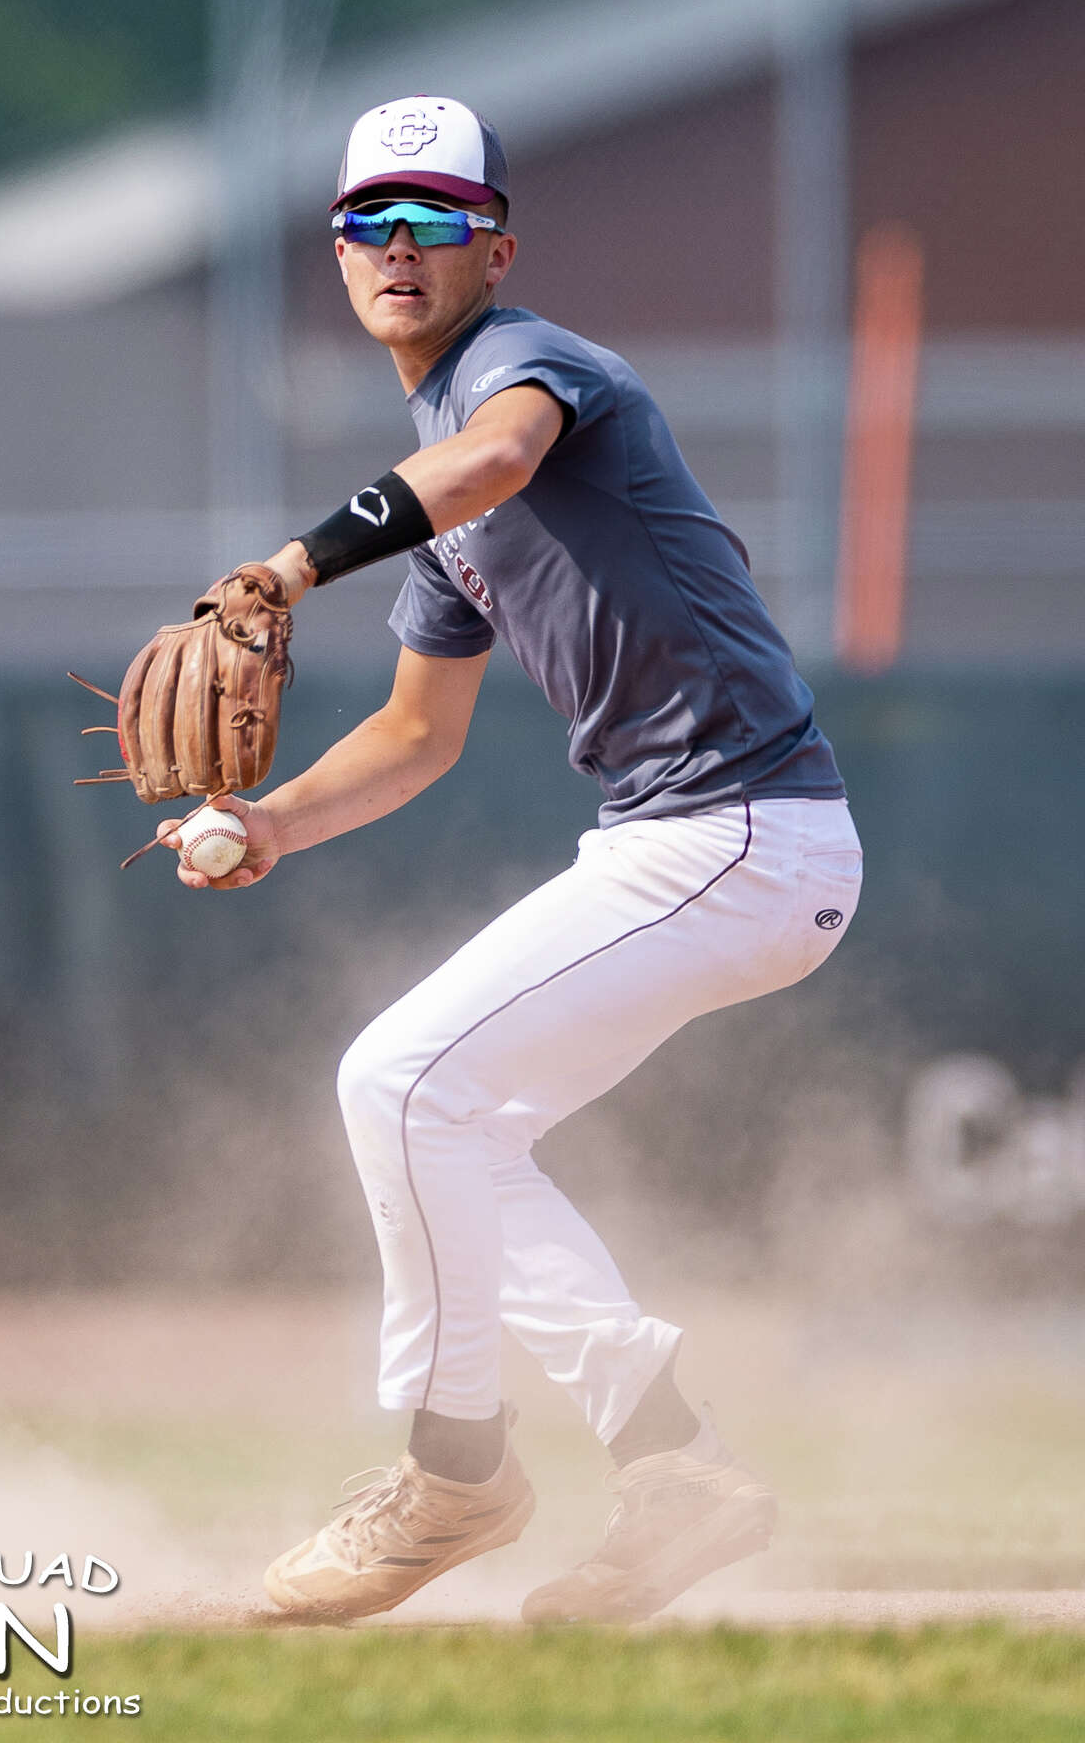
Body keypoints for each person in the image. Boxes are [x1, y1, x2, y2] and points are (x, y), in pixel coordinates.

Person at [160, 95, 863, 1624]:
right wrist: (274, 820)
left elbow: (496, 461)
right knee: (454, 1129)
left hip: (737, 825)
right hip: (696, 840)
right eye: (369, 221)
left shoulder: (528, 375)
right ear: (339, 256)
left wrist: (289, 565)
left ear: (498, 244)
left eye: (434, 217)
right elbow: (418, 735)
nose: (400, 246)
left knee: (398, 1082)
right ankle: (673, 1466)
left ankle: (456, 1467)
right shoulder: (435, 473)